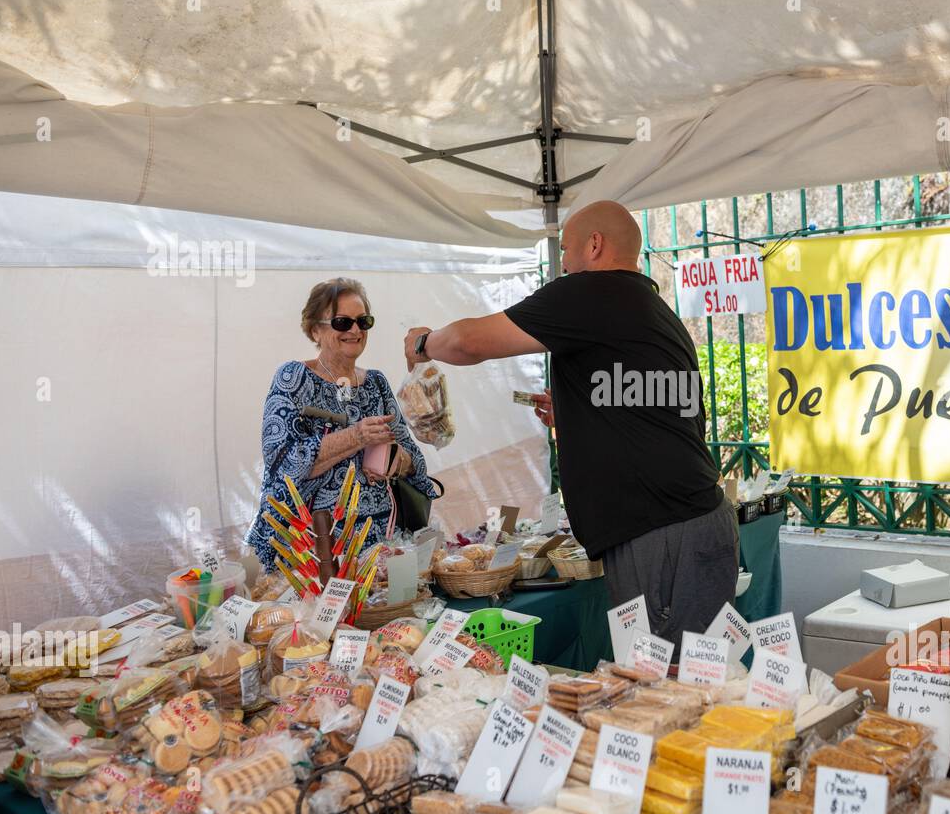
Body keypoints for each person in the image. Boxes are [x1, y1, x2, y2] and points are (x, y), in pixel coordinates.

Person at [404, 201, 736, 646]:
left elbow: (469, 342)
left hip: (659, 534)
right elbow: (662, 408)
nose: (562, 264)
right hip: (697, 523)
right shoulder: (654, 312)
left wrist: (424, 342)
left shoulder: (591, 293)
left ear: (594, 246)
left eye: (566, 252)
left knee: (660, 686)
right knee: (695, 682)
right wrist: (578, 414)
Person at [247, 278, 438, 571]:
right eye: (341, 322)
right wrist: (355, 436)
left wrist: (399, 461)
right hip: (311, 554)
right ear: (315, 330)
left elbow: (416, 464)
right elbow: (281, 464)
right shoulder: (294, 377)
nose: (355, 330)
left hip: (380, 549)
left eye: (363, 321)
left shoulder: (376, 382)